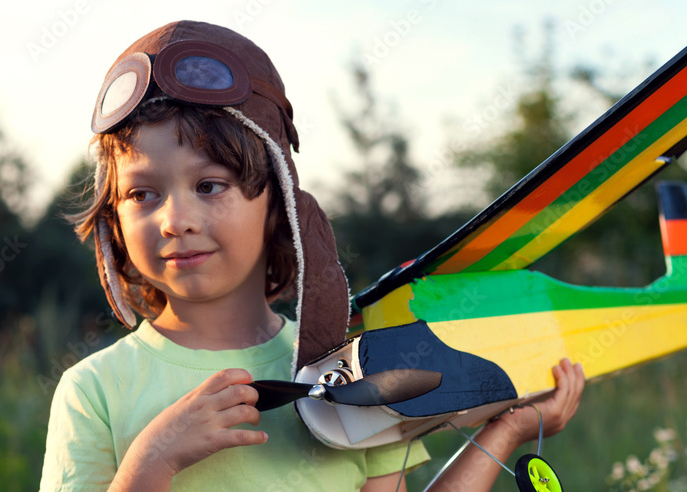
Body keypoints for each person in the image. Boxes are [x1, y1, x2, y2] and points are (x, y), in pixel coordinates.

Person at [40, 20, 585, 491]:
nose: (174, 219)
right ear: (113, 218)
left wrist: (507, 429)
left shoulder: (350, 371)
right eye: (142, 193)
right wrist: (154, 457)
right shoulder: (94, 391)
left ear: (277, 205)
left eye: (210, 186)